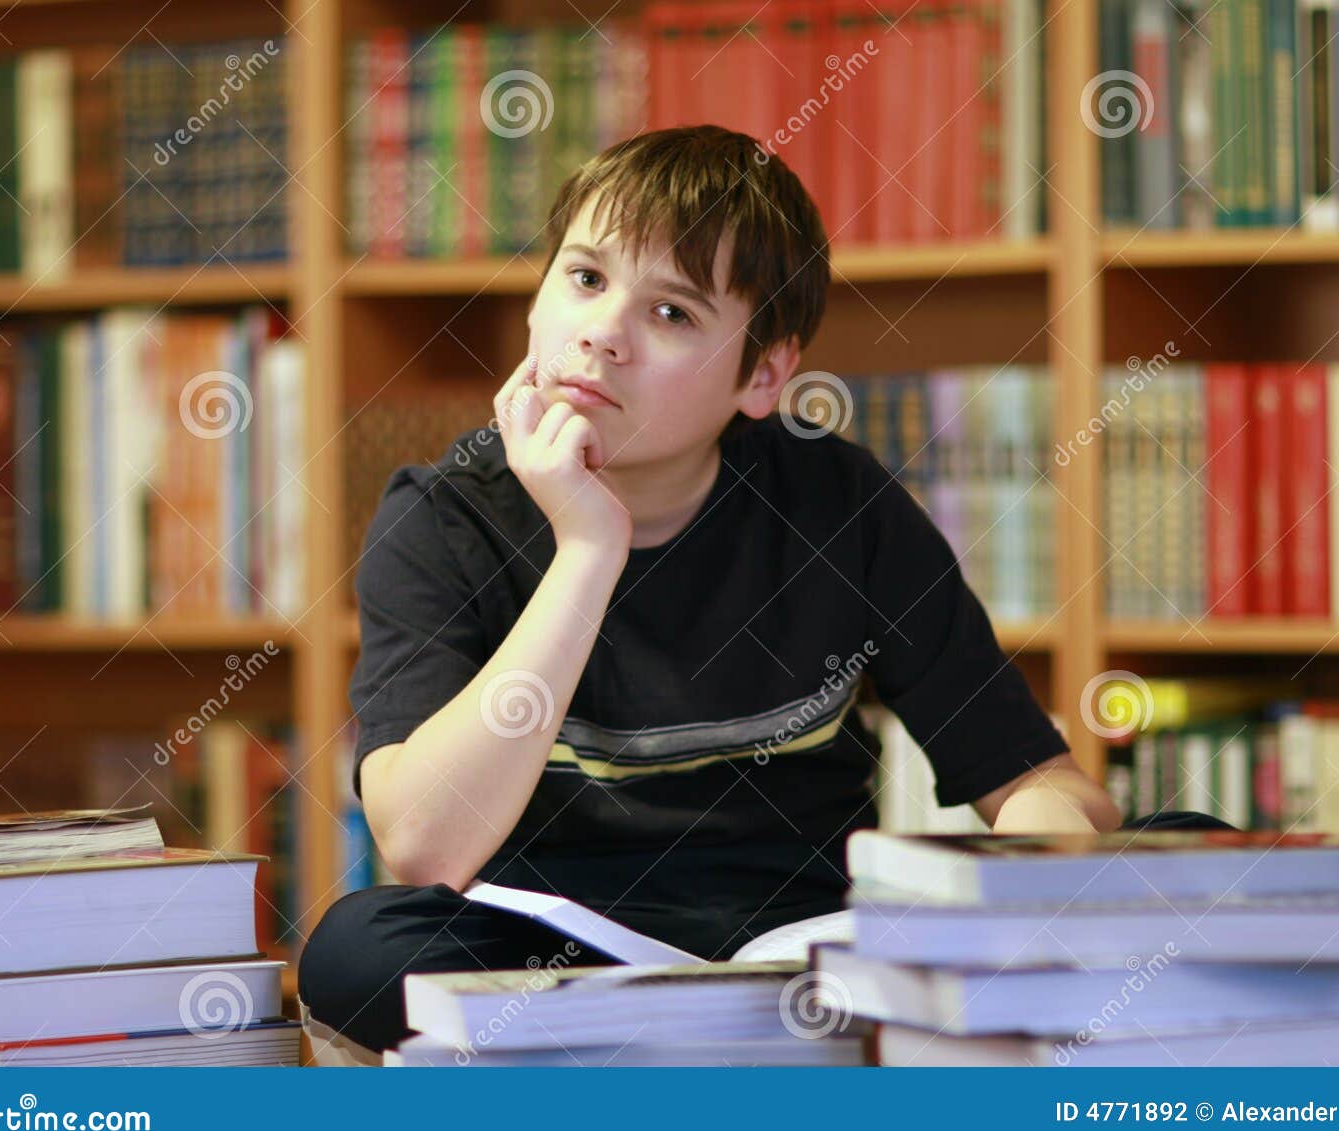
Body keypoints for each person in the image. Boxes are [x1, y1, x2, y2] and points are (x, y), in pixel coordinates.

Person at [299, 124, 1224, 1055]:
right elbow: (424, 844)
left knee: (1204, 856)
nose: (603, 333)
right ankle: (763, 1065)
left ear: (766, 373)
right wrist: (586, 546)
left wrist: (1040, 871)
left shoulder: (842, 507)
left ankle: (686, 1066)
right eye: (584, 277)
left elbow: (1031, 780)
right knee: (359, 950)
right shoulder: (445, 516)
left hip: (814, 946)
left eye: (673, 315)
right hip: (560, 952)